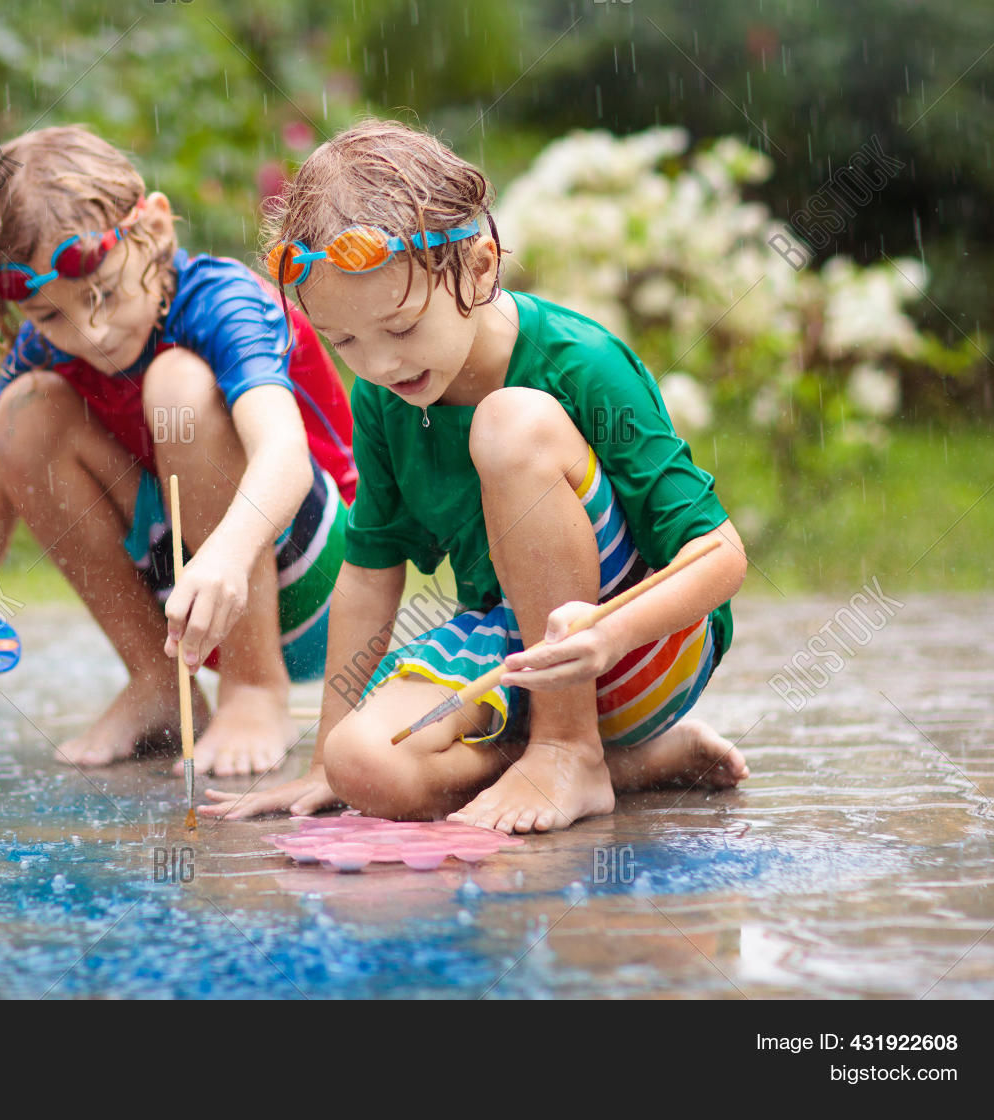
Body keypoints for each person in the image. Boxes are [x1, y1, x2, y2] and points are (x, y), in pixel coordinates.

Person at [202, 119, 750, 830]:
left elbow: (722, 556)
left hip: (637, 645)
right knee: (360, 763)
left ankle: (568, 749)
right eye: (344, 342)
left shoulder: (579, 362)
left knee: (509, 420)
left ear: (481, 266)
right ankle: (617, 766)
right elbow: (370, 575)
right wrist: (319, 764)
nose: (379, 366)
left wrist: (609, 635)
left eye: (399, 328)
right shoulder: (383, 400)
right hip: (512, 647)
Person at [0, 125, 356, 777]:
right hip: (191, 595)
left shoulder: (221, 302)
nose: (89, 333)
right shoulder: (47, 352)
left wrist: (228, 554)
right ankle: (158, 683)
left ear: (155, 230)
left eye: (104, 295)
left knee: (176, 383)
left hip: (316, 578)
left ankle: (255, 689)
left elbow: (283, 452)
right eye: (51, 315)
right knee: (23, 414)